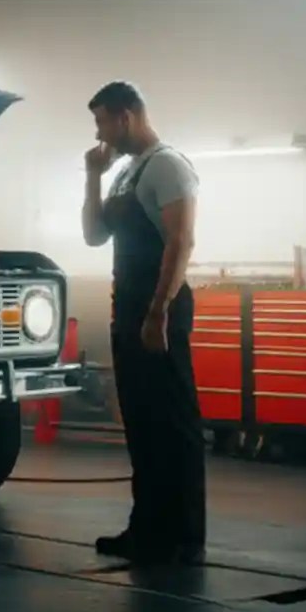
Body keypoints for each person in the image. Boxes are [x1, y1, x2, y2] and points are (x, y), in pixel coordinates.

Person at [81, 81, 206, 565]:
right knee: (141, 422)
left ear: (125, 117)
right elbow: (94, 235)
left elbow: (182, 242)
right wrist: (92, 176)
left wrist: (158, 313)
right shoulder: (124, 174)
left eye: (101, 122)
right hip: (128, 307)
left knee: (173, 423)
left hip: (161, 308)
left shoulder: (169, 166)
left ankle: (183, 537)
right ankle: (147, 529)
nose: (99, 132)